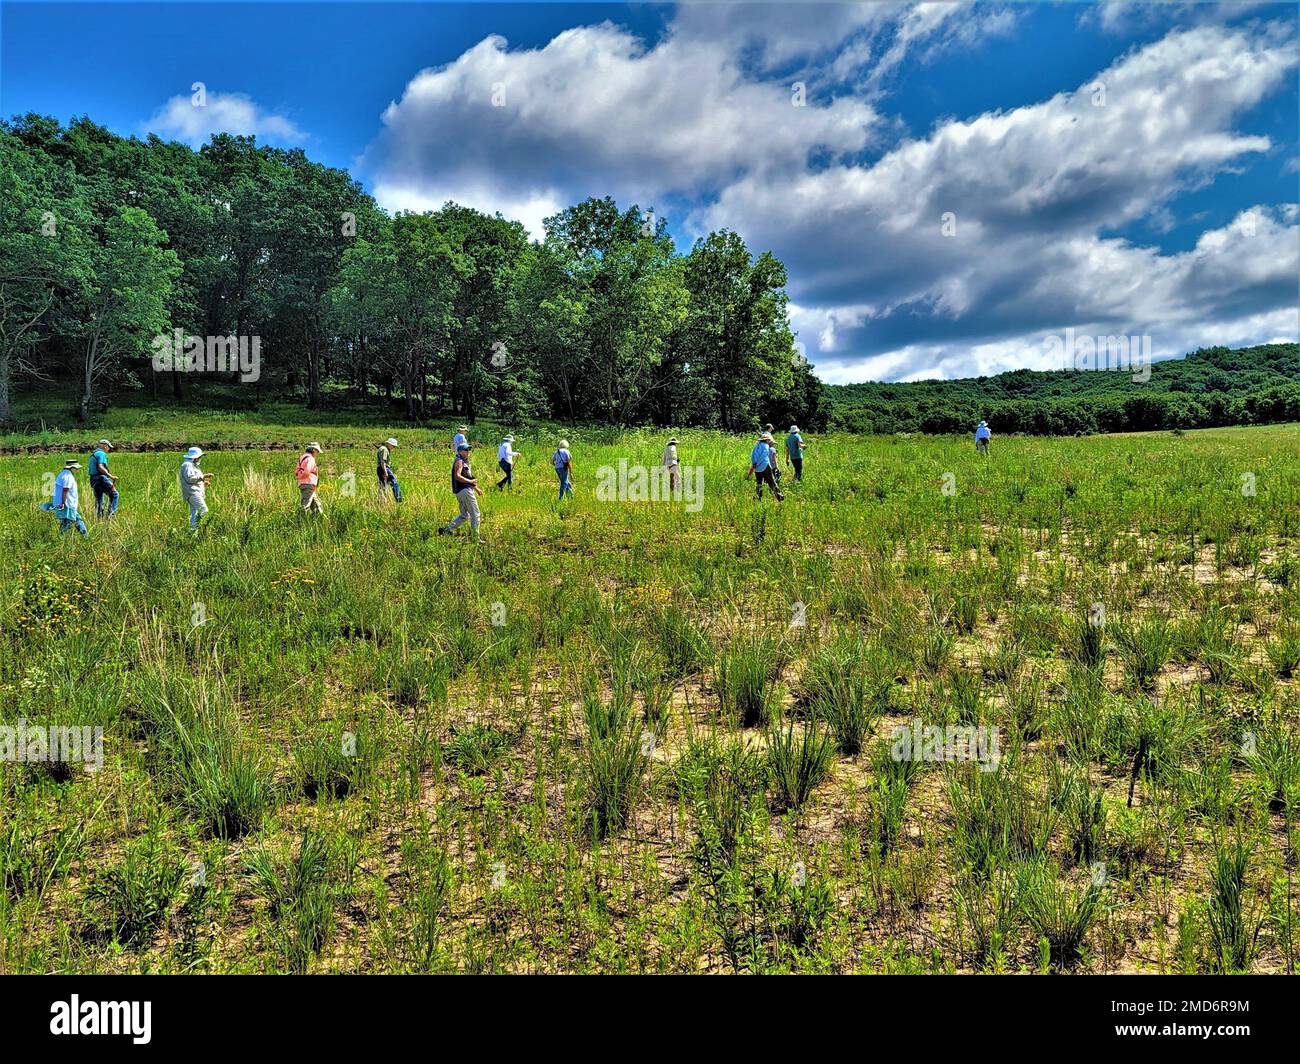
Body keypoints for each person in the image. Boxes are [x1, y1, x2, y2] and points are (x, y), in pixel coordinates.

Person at [440, 443, 483, 539]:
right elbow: (457, 476)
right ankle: (475, 538)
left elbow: (467, 476)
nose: (468, 452)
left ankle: (447, 530)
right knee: (475, 514)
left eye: (468, 450)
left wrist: (476, 488)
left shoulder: (464, 461)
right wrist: (471, 481)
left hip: (461, 491)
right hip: (465, 491)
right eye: (465, 450)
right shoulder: (459, 461)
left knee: (465, 515)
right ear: (460, 451)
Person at [40, 460, 88, 535]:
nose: (77, 470)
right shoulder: (68, 476)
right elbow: (65, 490)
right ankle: (62, 539)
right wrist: (63, 503)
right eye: (76, 468)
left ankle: (85, 536)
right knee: (67, 524)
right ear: (71, 468)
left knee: (77, 520)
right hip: (67, 504)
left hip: (67, 504)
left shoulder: (63, 474)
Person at [179, 447, 211, 530]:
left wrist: (203, 483)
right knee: (204, 510)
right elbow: (190, 478)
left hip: (195, 492)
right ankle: (196, 527)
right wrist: (203, 476)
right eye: (199, 457)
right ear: (195, 457)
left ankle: (192, 531)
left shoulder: (193, 465)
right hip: (192, 493)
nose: (200, 459)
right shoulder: (187, 465)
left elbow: (194, 480)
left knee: (195, 513)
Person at [87, 438, 119, 518]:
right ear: (104, 446)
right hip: (101, 478)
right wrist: (110, 476)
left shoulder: (93, 454)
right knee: (115, 495)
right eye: (108, 447)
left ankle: (99, 519)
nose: (109, 449)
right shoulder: (101, 454)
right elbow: (100, 467)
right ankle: (110, 517)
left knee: (99, 500)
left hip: (93, 480)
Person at [748, 432, 784, 501]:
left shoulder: (756, 446)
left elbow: (753, 456)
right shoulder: (766, 446)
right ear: (766, 440)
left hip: (757, 469)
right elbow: (763, 456)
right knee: (771, 481)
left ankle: (758, 497)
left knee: (759, 483)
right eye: (769, 440)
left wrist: (754, 465)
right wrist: (758, 464)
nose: (769, 441)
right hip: (765, 465)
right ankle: (779, 496)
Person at [297, 443, 324, 515]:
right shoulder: (310, 459)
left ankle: (321, 518)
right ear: (313, 450)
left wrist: (300, 478)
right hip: (309, 483)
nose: (317, 453)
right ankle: (300, 522)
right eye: (317, 451)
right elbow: (307, 471)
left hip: (302, 483)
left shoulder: (302, 457)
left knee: (316, 504)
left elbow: (296, 471)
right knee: (305, 505)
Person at [376, 438, 402, 504]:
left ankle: (381, 502)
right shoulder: (384, 449)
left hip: (380, 468)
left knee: (383, 485)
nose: (394, 448)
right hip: (384, 468)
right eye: (393, 446)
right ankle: (399, 499)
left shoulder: (382, 449)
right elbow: (383, 462)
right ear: (388, 444)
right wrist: (385, 472)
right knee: (394, 483)